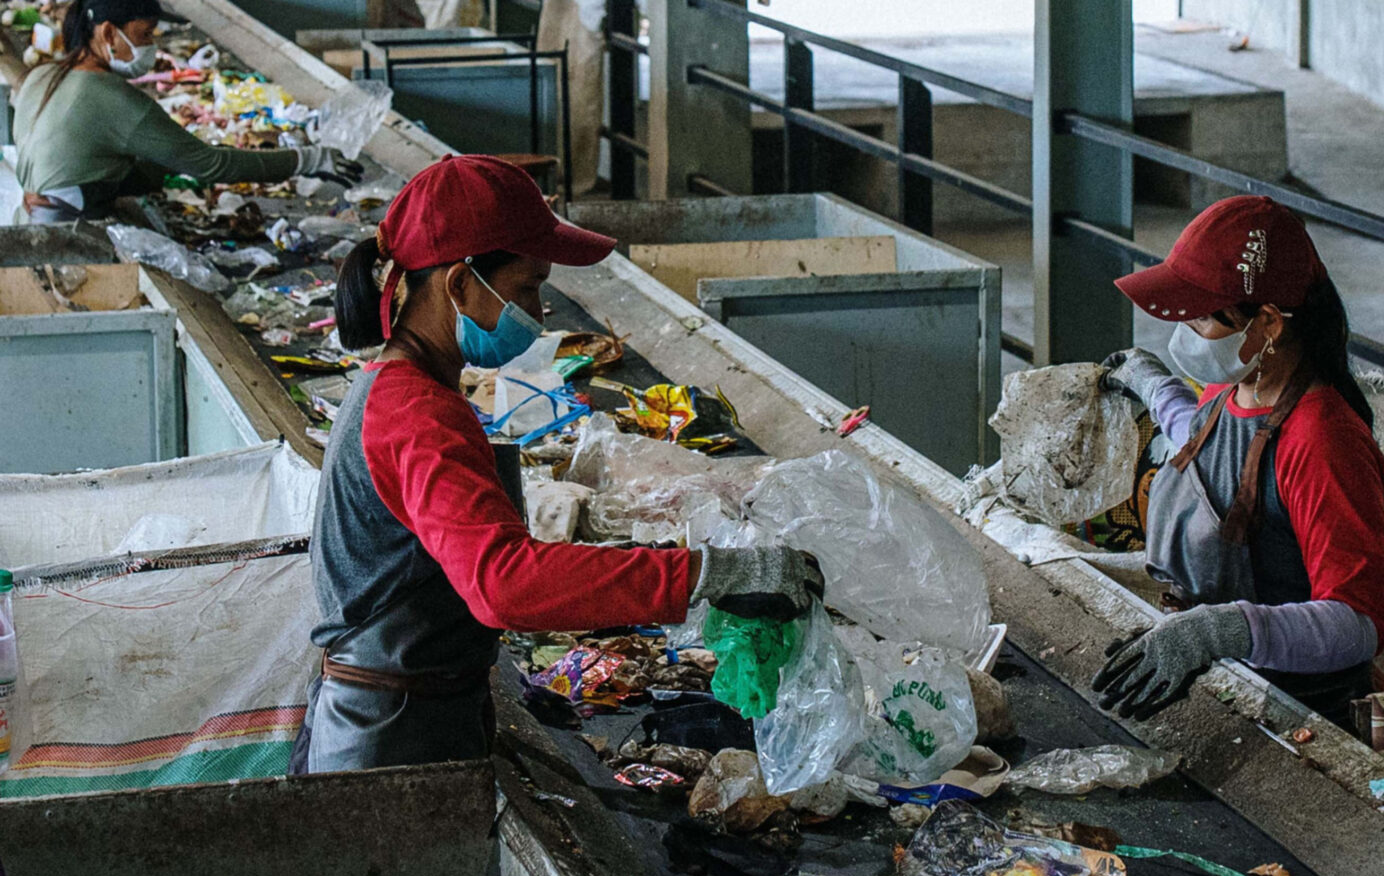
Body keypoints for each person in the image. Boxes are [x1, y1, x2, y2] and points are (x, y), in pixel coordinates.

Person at [293, 154, 821, 773]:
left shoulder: (404, 386)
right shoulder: (414, 412)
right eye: (526, 287)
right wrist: (708, 575)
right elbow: (504, 583)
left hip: (405, 718)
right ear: (460, 286)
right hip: (389, 750)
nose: (539, 314)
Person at [1094, 195, 1384, 724]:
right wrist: (1154, 385)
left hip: (1299, 711)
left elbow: (1359, 623)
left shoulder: (1323, 441)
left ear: (1269, 324)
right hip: (1227, 675)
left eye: (1201, 322)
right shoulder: (1236, 383)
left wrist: (1219, 631)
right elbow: (1210, 452)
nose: (1184, 335)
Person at [11, 0, 359, 223]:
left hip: (24, 221)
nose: (151, 46)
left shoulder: (42, 75)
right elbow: (213, 164)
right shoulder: (113, 97)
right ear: (108, 33)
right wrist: (309, 160)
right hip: (73, 237)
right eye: (144, 35)